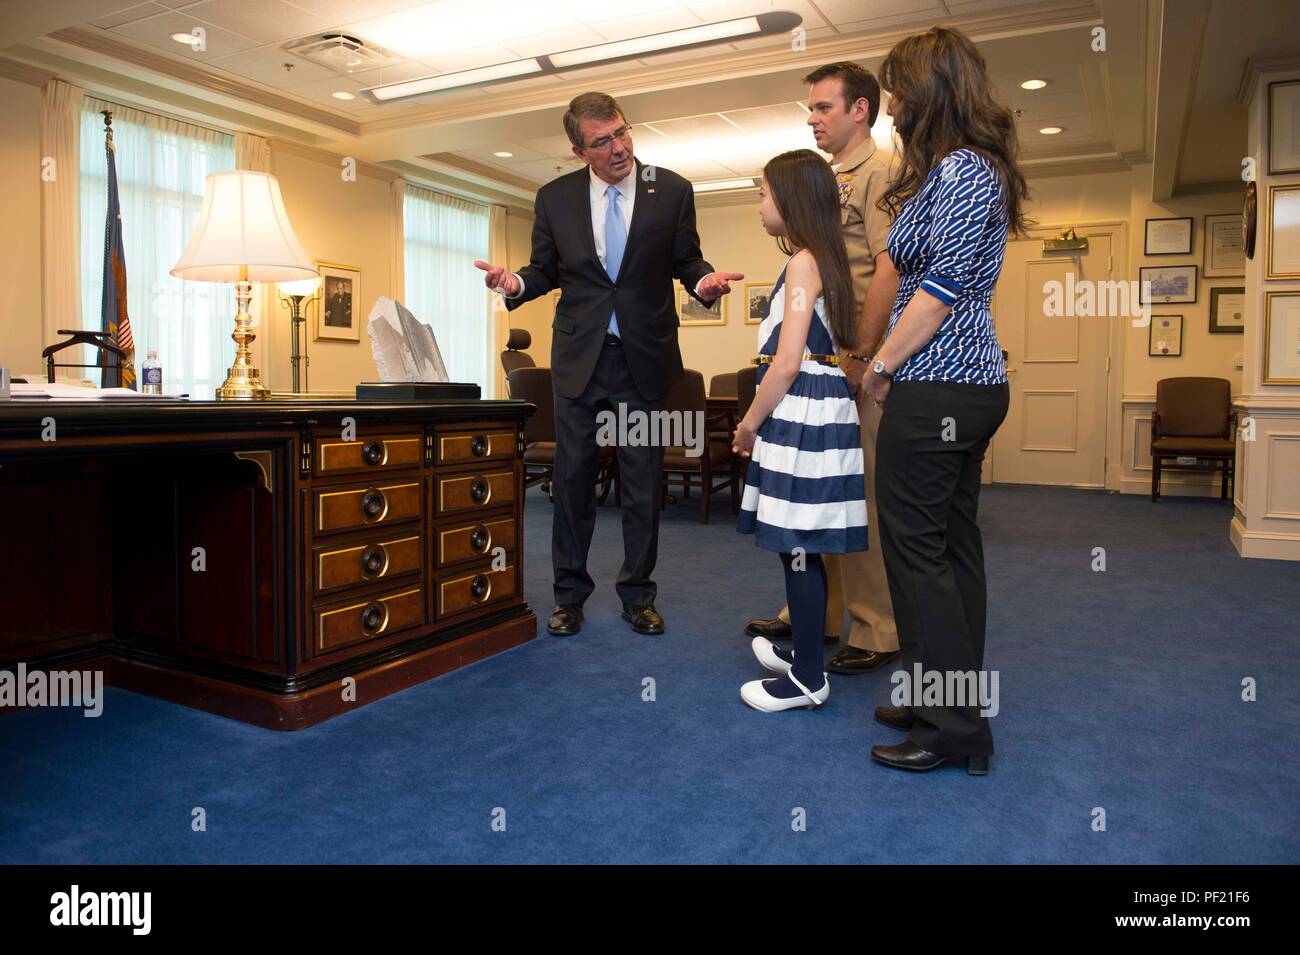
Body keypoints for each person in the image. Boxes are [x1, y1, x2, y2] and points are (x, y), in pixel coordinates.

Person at [475, 92, 742, 638]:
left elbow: (687, 259)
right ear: (579, 150)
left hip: (643, 360)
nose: (619, 148)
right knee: (572, 481)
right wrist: (516, 284)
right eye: (603, 141)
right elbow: (543, 269)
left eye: (622, 132)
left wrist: (704, 282)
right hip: (580, 363)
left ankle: (637, 596)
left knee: (643, 482)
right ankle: (568, 597)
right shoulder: (554, 198)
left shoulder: (670, 189)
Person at [858, 27, 1029, 774]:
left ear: (929, 90)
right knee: (952, 550)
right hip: (968, 385)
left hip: (936, 385)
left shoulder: (962, 171)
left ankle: (954, 726)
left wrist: (880, 366)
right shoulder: (965, 169)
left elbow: (937, 293)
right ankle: (940, 697)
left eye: (897, 87)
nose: (891, 103)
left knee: (918, 554)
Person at [744, 61, 901, 676]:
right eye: (809, 109)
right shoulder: (828, 177)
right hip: (826, 360)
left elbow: (889, 271)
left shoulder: (883, 173)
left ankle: (874, 625)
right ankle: (819, 612)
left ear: (860, 109)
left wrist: (865, 356)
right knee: (818, 492)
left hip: (852, 359)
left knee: (852, 491)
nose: (812, 118)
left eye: (823, 107)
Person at [732, 150, 866, 712]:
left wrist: (748, 422)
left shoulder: (804, 262)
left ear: (789, 199)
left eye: (764, 192)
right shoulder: (824, 259)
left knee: (799, 547)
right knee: (803, 544)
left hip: (803, 407)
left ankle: (810, 677)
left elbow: (786, 362)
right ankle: (807, 651)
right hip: (821, 404)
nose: (760, 204)